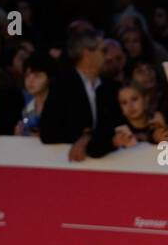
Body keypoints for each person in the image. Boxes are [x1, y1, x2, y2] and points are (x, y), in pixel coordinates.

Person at [39, 29, 122, 161]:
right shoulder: (62, 85)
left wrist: (89, 137)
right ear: (87, 54)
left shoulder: (111, 88)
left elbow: (116, 125)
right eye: (103, 51)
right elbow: (49, 132)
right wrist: (82, 136)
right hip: (69, 167)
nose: (108, 57)